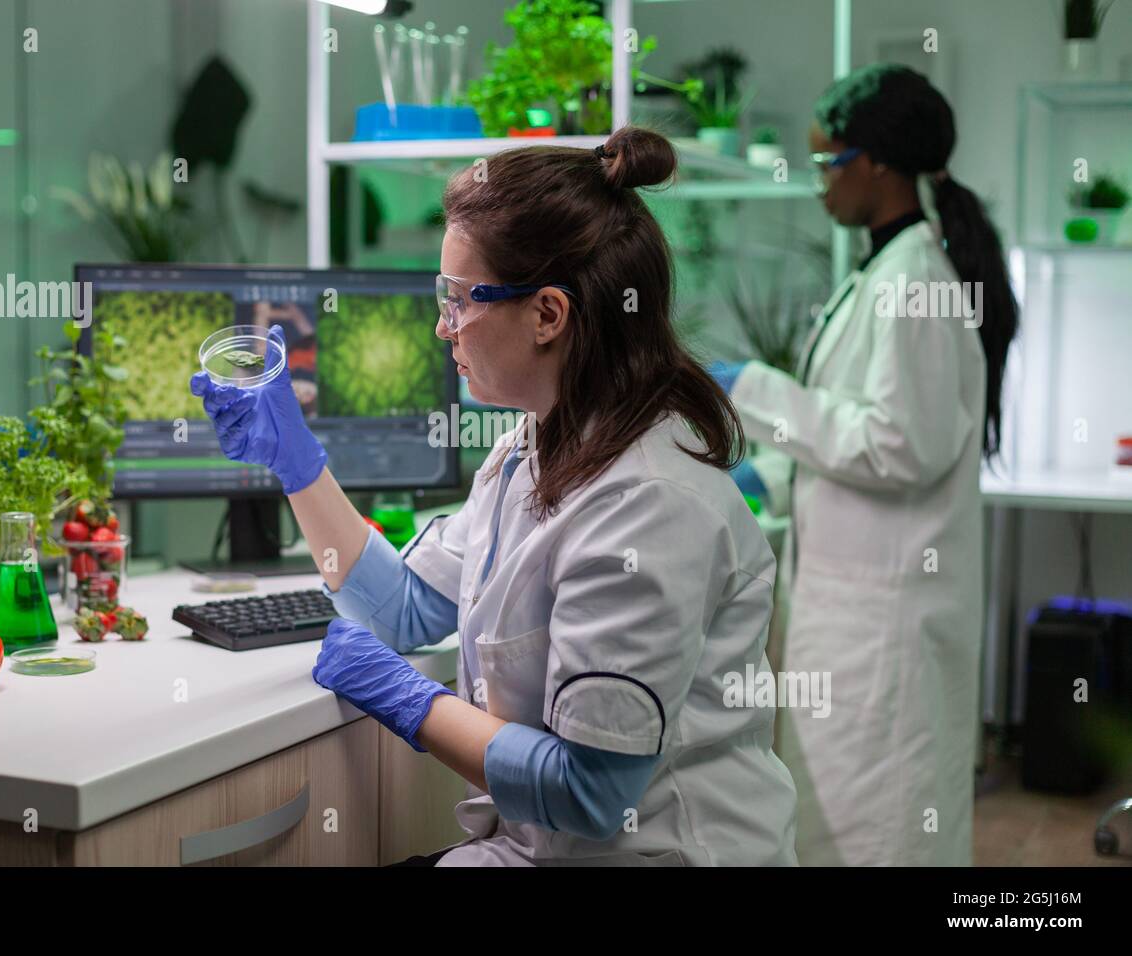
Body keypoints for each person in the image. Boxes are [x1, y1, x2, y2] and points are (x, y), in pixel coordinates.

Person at [191, 126, 798, 866]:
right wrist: (296, 462)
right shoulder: (536, 442)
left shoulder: (648, 504)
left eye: (458, 298)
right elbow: (404, 607)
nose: (444, 326)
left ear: (548, 314)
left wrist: (412, 701)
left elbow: (588, 791)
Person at [712, 65, 1018, 866]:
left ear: (876, 164)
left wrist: (755, 389)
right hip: (858, 612)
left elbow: (900, 445)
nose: (819, 185)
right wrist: (765, 475)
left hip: (883, 625)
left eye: (827, 163)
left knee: (876, 831)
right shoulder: (882, 275)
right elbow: (848, 434)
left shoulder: (915, 283)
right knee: (840, 822)